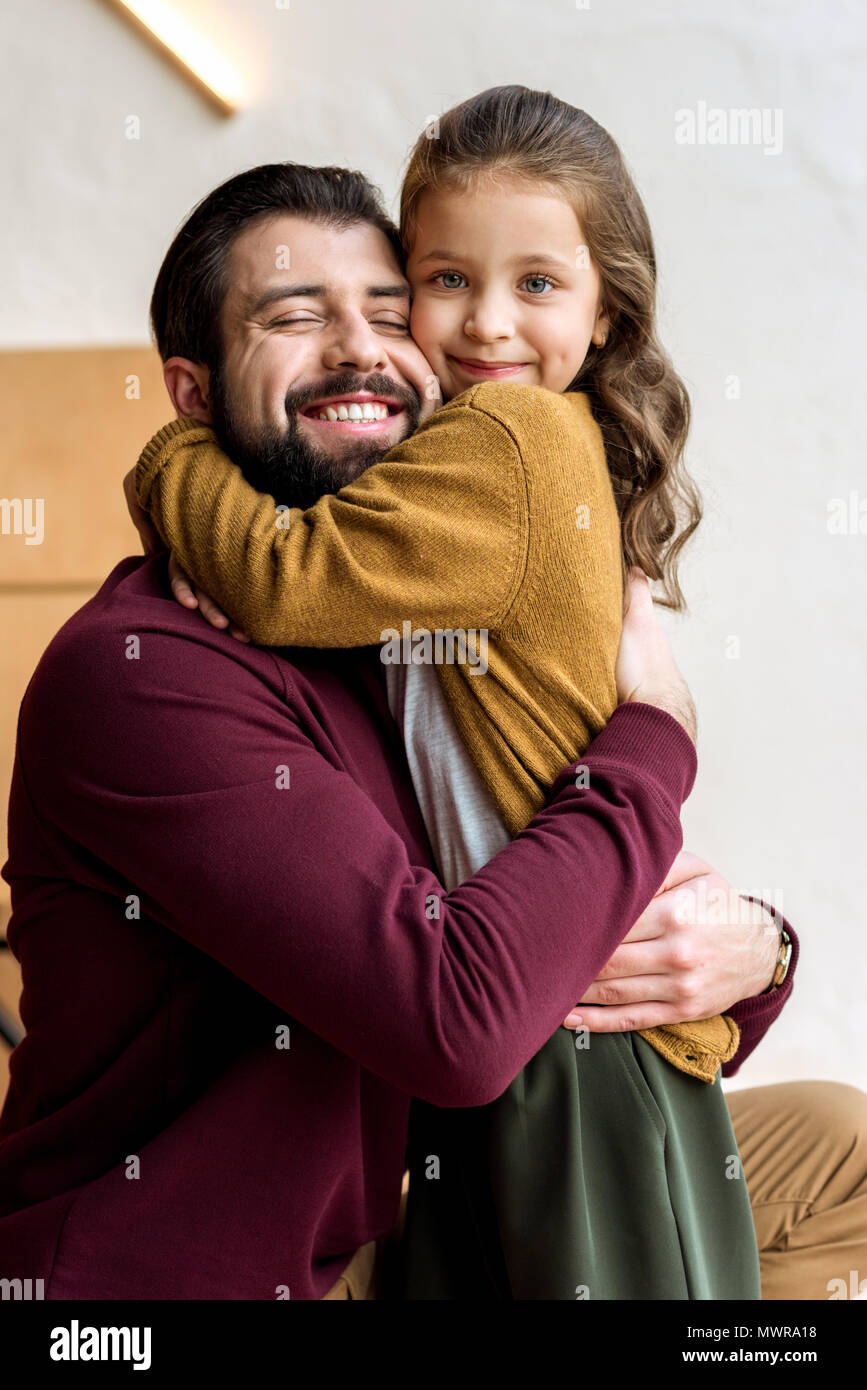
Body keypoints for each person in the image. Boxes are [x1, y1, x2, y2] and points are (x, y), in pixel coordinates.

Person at [0, 154, 858, 1303]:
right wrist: (656, 731)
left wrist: (756, 952)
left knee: (839, 1147)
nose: (361, 348)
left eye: (391, 311)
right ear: (194, 395)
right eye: (297, 316)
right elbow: (461, 1022)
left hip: (405, 1213)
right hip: (185, 1283)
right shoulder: (143, 677)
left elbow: (549, 958)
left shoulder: (403, 633)